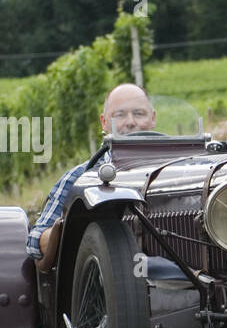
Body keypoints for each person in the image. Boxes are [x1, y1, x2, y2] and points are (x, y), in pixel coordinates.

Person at [26, 83, 155, 271]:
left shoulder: (182, 171)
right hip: (107, 279)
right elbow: (34, 241)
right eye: (119, 115)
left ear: (153, 119)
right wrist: (67, 229)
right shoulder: (81, 176)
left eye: (139, 113)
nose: (130, 122)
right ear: (104, 122)